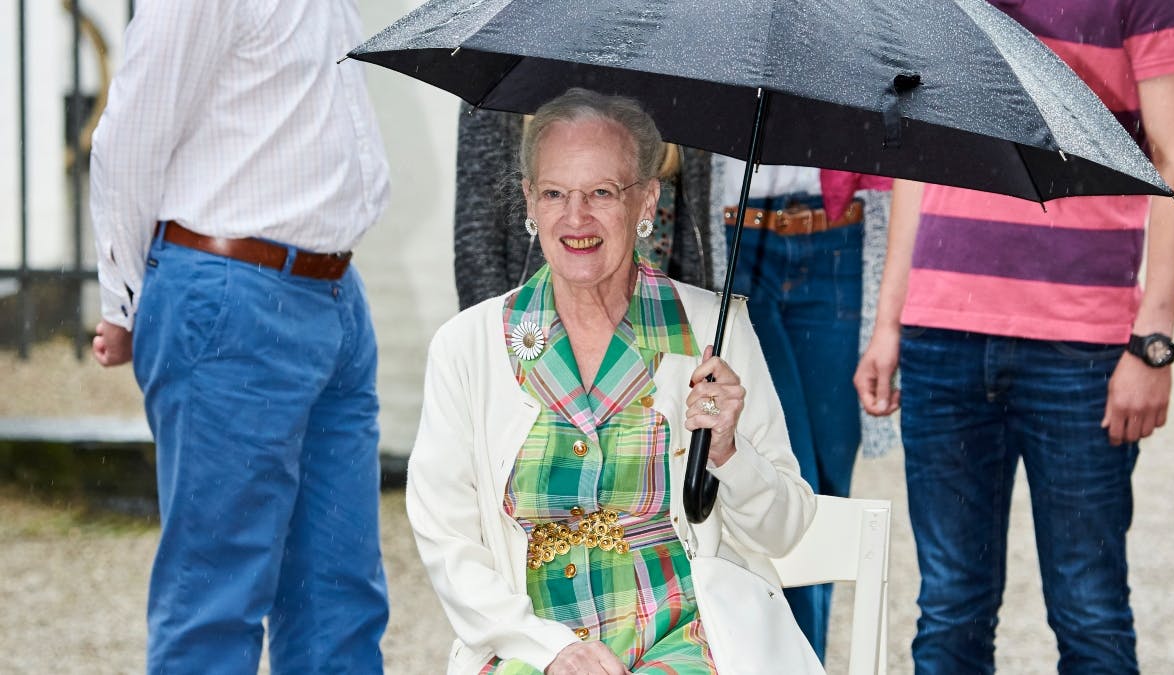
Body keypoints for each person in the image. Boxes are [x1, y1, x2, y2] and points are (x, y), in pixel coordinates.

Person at [407, 88, 823, 675]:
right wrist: (550, 649)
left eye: (602, 192)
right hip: (531, 641)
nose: (576, 219)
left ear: (646, 199)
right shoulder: (467, 347)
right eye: (554, 193)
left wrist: (729, 450)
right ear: (529, 198)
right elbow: (448, 541)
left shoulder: (712, 332)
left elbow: (785, 529)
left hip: (684, 636)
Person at [854, 1, 1174, 672]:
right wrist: (889, 320)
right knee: (950, 608)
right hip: (941, 330)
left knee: (1088, 611)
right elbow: (918, 158)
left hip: (1082, 347)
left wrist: (1153, 338)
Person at [88, 1, 391, 671]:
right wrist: (125, 300)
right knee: (215, 605)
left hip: (334, 297)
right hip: (235, 297)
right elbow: (130, 138)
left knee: (339, 600)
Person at [713, 157, 893, 660]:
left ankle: (802, 656)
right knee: (784, 481)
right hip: (736, 238)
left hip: (840, 240)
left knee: (829, 494)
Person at [453, 105, 717, 310]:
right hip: (531, 333)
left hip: (655, 324)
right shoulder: (503, 70)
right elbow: (477, 239)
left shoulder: (677, 75)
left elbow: (693, 231)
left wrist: (693, 338)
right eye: (554, 192)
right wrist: (498, 346)